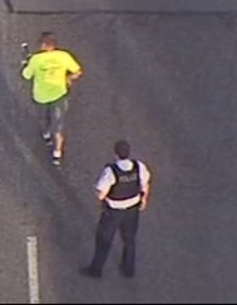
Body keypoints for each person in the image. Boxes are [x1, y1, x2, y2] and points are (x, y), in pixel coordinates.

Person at [80, 140, 151, 279]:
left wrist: (98, 193)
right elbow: (145, 185)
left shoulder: (111, 172)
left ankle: (96, 270)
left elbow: (101, 194)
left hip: (113, 211)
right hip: (132, 209)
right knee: (129, 239)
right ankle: (128, 269)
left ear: (116, 154)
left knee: (104, 240)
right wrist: (144, 199)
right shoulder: (139, 167)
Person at [20, 31, 82, 166]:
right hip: (59, 95)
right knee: (58, 125)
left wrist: (25, 64)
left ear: (43, 45)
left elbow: (26, 75)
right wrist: (68, 78)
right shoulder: (64, 56)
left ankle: (46, 135)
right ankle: (57, 153)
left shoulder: (36, 59)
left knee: (43, 118)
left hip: (41, 97)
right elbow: (77, 71)